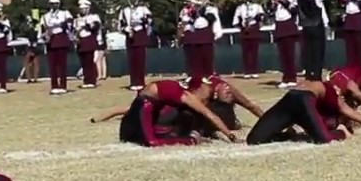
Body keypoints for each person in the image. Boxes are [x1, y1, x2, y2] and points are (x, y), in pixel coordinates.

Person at [92, 76, 263, 147]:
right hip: (147, 106)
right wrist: (231, 136)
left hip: (147, 105)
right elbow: (208, 113)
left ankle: (190, 136)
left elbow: (249, 105)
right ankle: (190, 138)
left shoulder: (213, 90)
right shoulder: (187, 96)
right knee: (151, 137)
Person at [246, 80, 361, 144]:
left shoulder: (331, 110)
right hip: (296, 98)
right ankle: (290, 135)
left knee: (324, 139)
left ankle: (341, 133)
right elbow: (354, 115)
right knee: (253, 139)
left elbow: (352, 114)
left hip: (300, 103)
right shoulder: (331, 92)